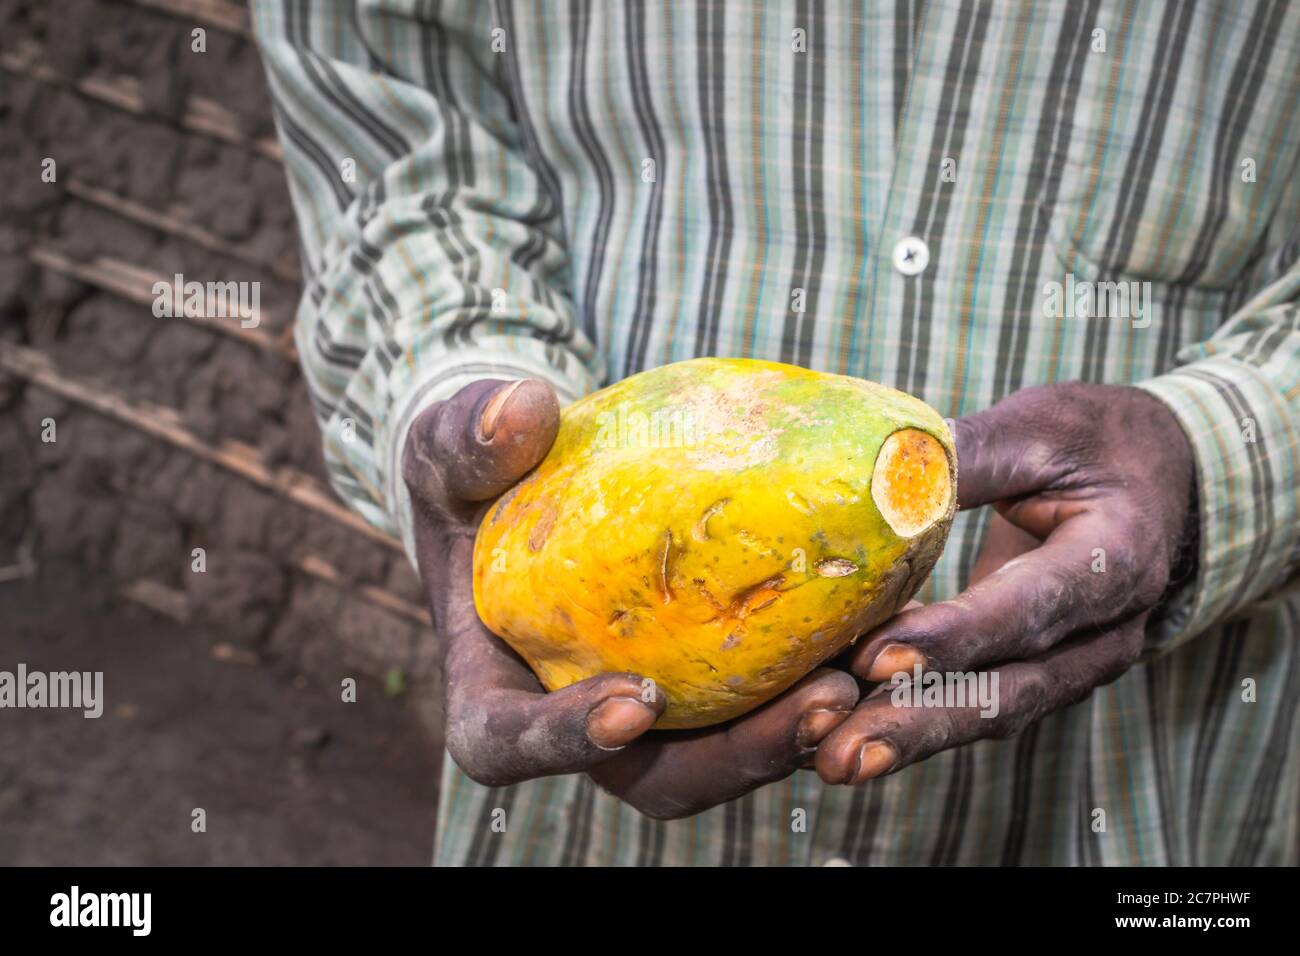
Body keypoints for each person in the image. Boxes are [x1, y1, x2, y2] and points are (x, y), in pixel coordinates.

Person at [251, 0, 1300, 865]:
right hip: (585, 786)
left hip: (1154, 795)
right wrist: (462, 392)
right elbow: (384, 107)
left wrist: (1223, 460)